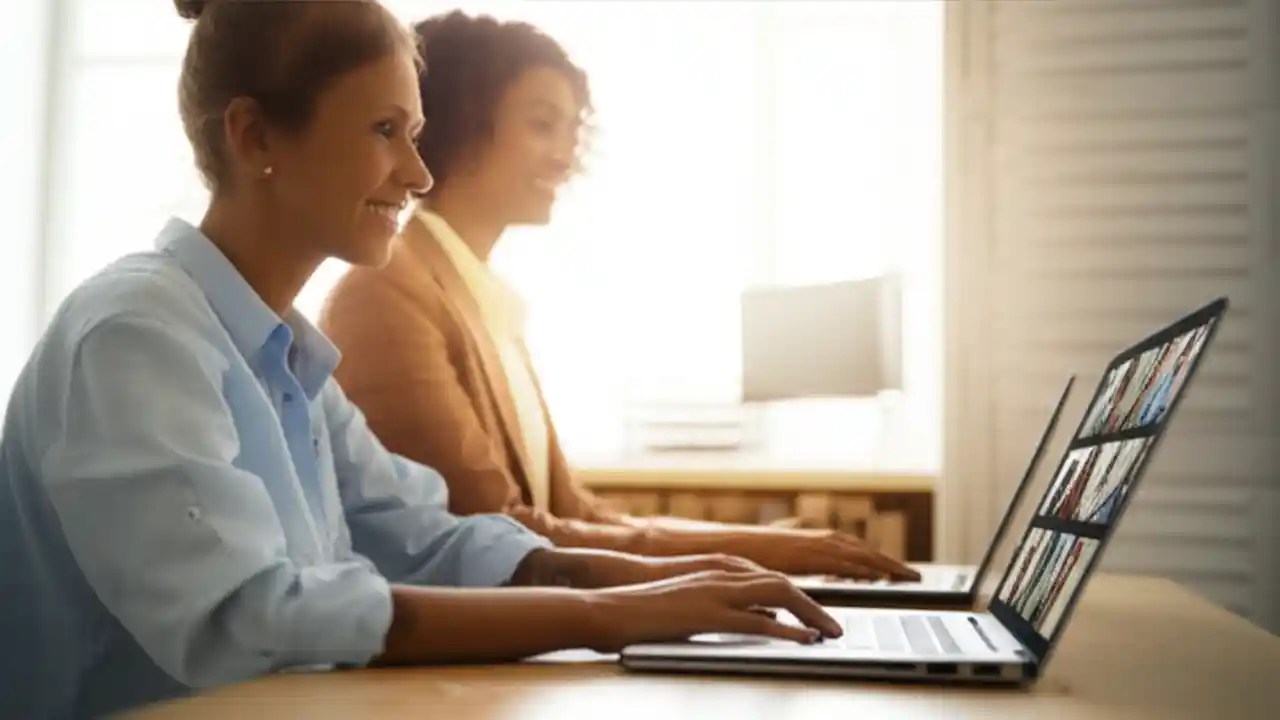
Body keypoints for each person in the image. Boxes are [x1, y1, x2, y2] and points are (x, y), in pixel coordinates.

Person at [0, 3, 841, 718]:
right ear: (255, 133)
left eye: (416, 133)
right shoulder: (136, 334)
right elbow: (251, 615)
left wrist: (675, 581)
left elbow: (434, 540)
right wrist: (606, 614)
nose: (418, 172)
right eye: (384, 131)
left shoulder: (280, 351)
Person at [319, 11, 919, 583]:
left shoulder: (482, 300)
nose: (565, 153)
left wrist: (765, 545)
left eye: (573, 130)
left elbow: (573, 509)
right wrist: (761, 550)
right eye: (542, 123)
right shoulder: (388, 292)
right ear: (460, 119)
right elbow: (500, 532)